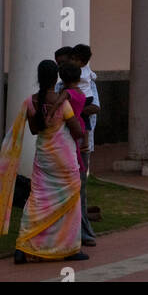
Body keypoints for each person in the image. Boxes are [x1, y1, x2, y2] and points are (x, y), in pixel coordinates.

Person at [0, 59, 87, 263]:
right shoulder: (63, 102)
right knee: (71, 202)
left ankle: (22, 246)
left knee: (37, 200)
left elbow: (34, 130)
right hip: (65, 159)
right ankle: (68, 248)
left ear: (39, 78)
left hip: (44, 157)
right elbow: (76, 131)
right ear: (55, 78)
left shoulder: (29, 102)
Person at [55, 60, 95, 246]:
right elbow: (84, 118)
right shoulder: (81, 94)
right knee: (77, 187)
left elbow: (57, 107)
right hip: (77, 136)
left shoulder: (67, 95)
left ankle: (72, 232)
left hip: (67, 138)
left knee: (69, 189)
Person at [71, 43, 100, 233]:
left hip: (79, 142)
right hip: (66, 143)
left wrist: (73, 110)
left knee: (80, 186)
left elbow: (95, 107)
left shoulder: (85, 79)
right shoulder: (63, 84)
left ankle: (83, 229)